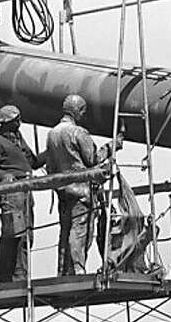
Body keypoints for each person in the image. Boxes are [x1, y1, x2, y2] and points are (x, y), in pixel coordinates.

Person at [44, 93, 123, 277]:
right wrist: (112, 146)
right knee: (80, 231)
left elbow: (50, 165)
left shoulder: (52, 133)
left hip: (63, 191)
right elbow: (93, 159)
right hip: (81, 191)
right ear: (78, 111)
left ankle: (64, 272)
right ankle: (77, 270)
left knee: (65, 232)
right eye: (83, 112)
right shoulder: (78, 133)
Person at [0, 104, 45, 283]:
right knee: (13, 235)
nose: (20, 122)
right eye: (16, 120)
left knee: (26, 235)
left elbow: (33, 162)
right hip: (12, 194)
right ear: (7, 123)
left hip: (25, 192)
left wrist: (52, 150)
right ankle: (5, 276)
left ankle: (21, 274)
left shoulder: (18, 139)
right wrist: (6, 176)